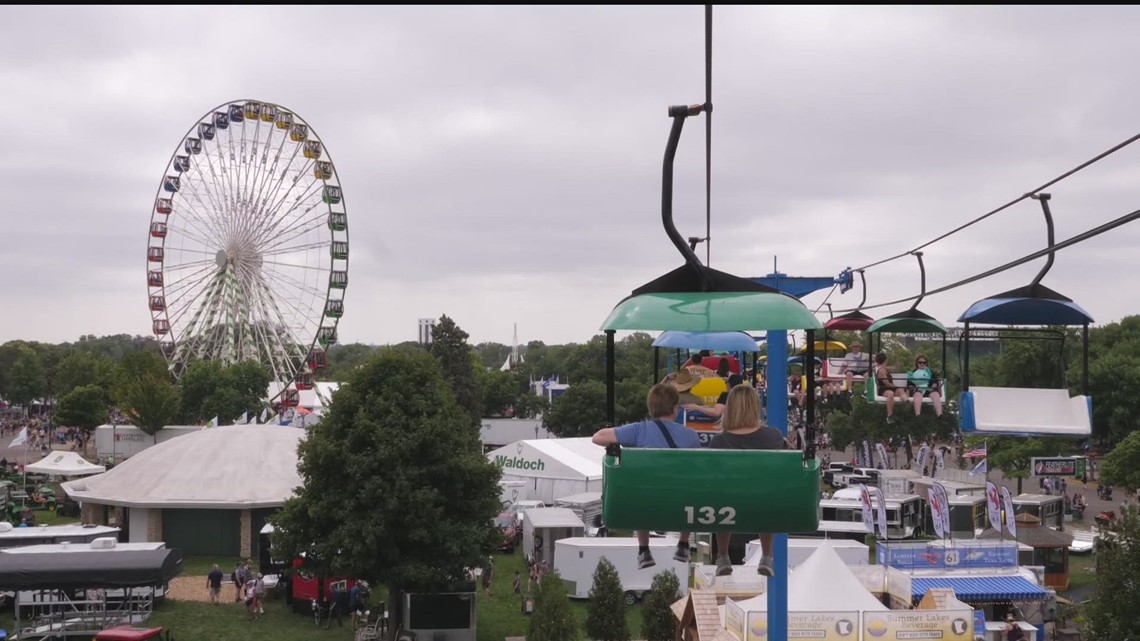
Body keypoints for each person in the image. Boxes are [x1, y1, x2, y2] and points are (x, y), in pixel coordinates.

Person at [592, 383, 701, 569]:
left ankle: (644, 550)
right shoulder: (690, 436)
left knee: (640, 490)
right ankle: (683, 544)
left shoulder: (639, 430)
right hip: (680, 500)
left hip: (647, 502)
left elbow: (598, 437)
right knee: (692, 488)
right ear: (675, 408)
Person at [709, 384, 789, 578]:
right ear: (755, 407)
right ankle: (767, 555)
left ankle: (722, 554)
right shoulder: (773, 437)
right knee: (766, 495)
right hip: (761, 502)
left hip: (728, 504)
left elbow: (712, 478)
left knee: (721, 497)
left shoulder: (719, 442)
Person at [873, 353, 906, 423]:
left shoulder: (885, 369)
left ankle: (906, 400)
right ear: (885, 360)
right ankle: (889, 415)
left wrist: (897, 359)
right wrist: (895, 387)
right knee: (890, 393)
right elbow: (886, 383)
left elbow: (896, 368)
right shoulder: (881, 371)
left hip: (890, 387)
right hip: (884, 389)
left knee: (900, 390)